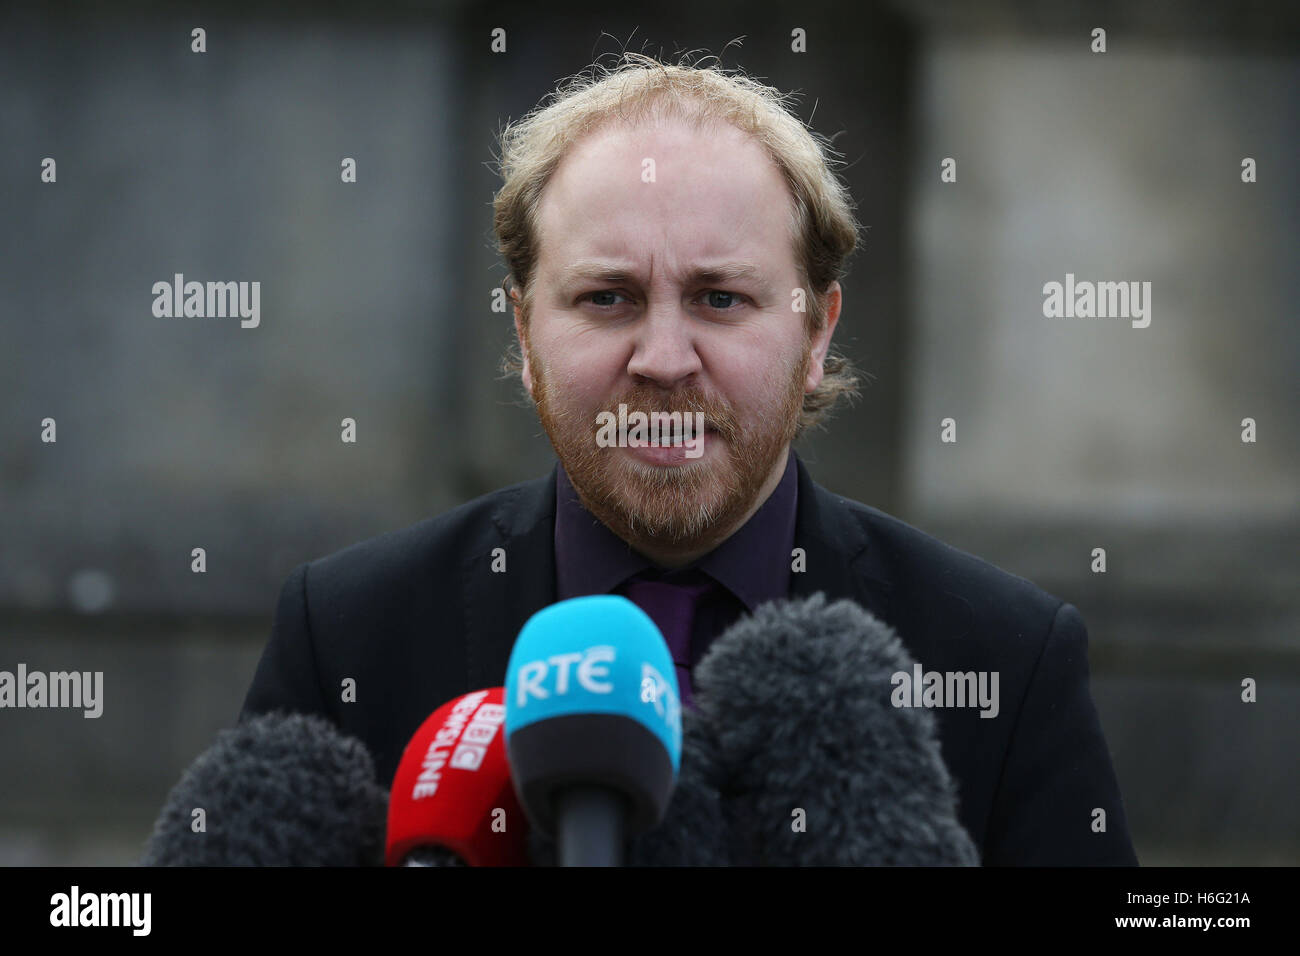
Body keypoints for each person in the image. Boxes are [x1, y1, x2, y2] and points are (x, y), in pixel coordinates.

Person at [241, 53, 1137, 865]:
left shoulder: (1007, 659)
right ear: (523, 330)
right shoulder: (349, 633)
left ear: (817, 332)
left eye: (719, 297)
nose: (663, 358)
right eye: (606, 298)